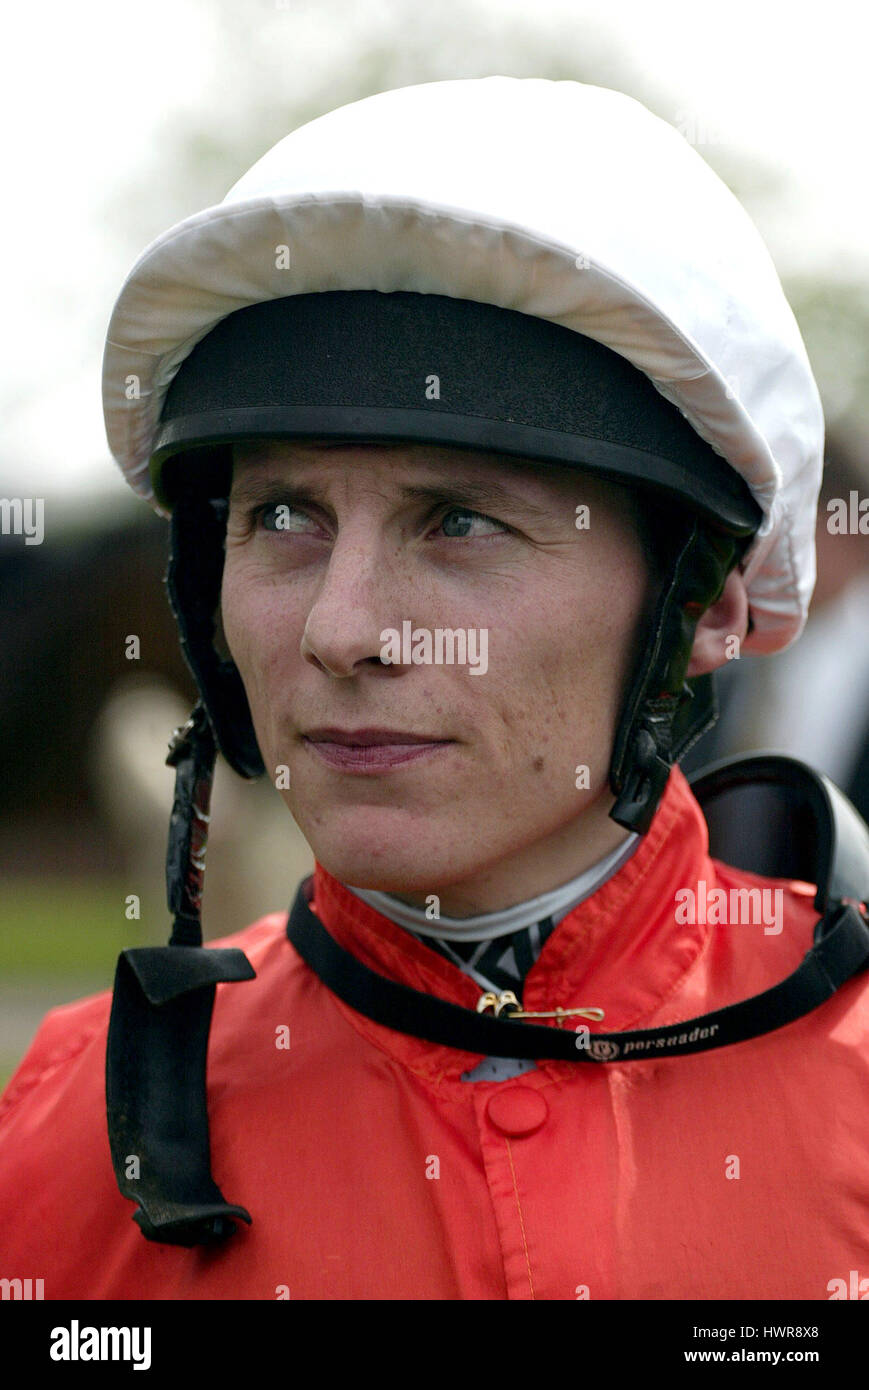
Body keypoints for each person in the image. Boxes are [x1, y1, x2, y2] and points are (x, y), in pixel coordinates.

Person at [1, 76, 868, 1302]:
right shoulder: (65, 1136)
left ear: (706, 603)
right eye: (284, 516)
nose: (340, 628)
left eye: (458, 521)